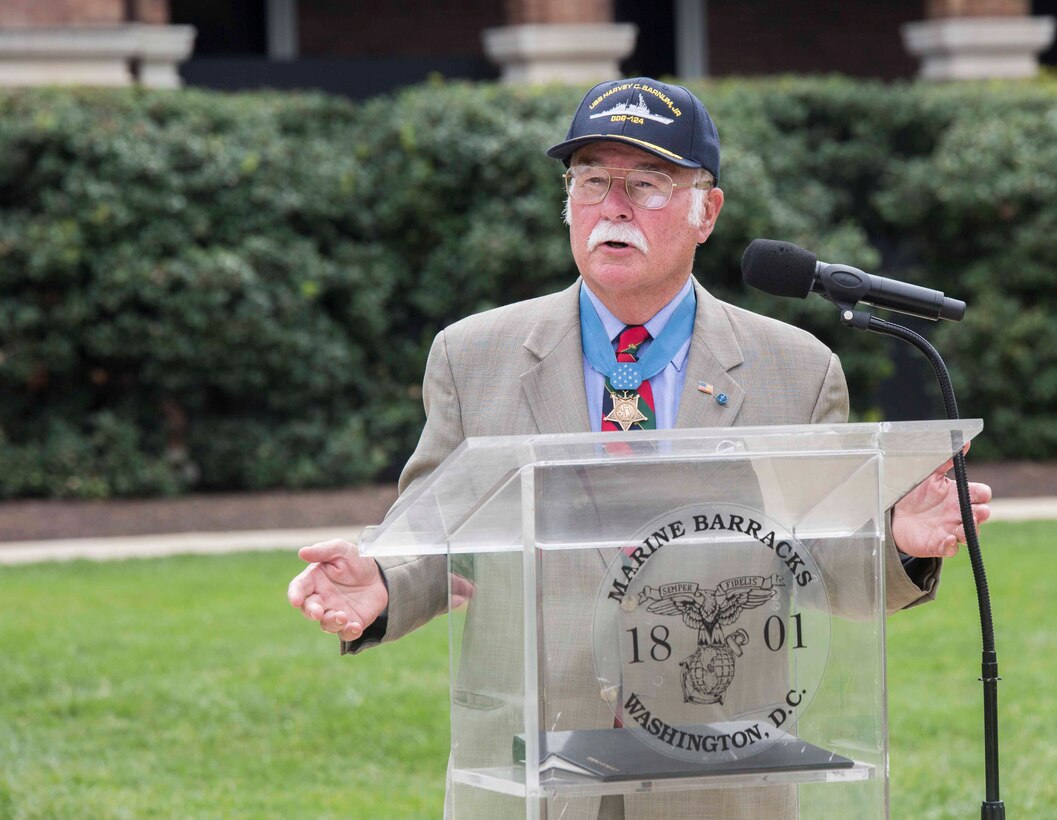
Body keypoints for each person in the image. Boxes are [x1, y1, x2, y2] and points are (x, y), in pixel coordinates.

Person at [288, 78, 992, 819]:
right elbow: (439, 537)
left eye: (647, 184)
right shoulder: (474, 356)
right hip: (534, 768)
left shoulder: (796, 367)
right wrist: (382, 582)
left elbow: (826, 564)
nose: (612, 207)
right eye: (591, 181)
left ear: (705, 212)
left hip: (719, 775)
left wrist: (899, 543)